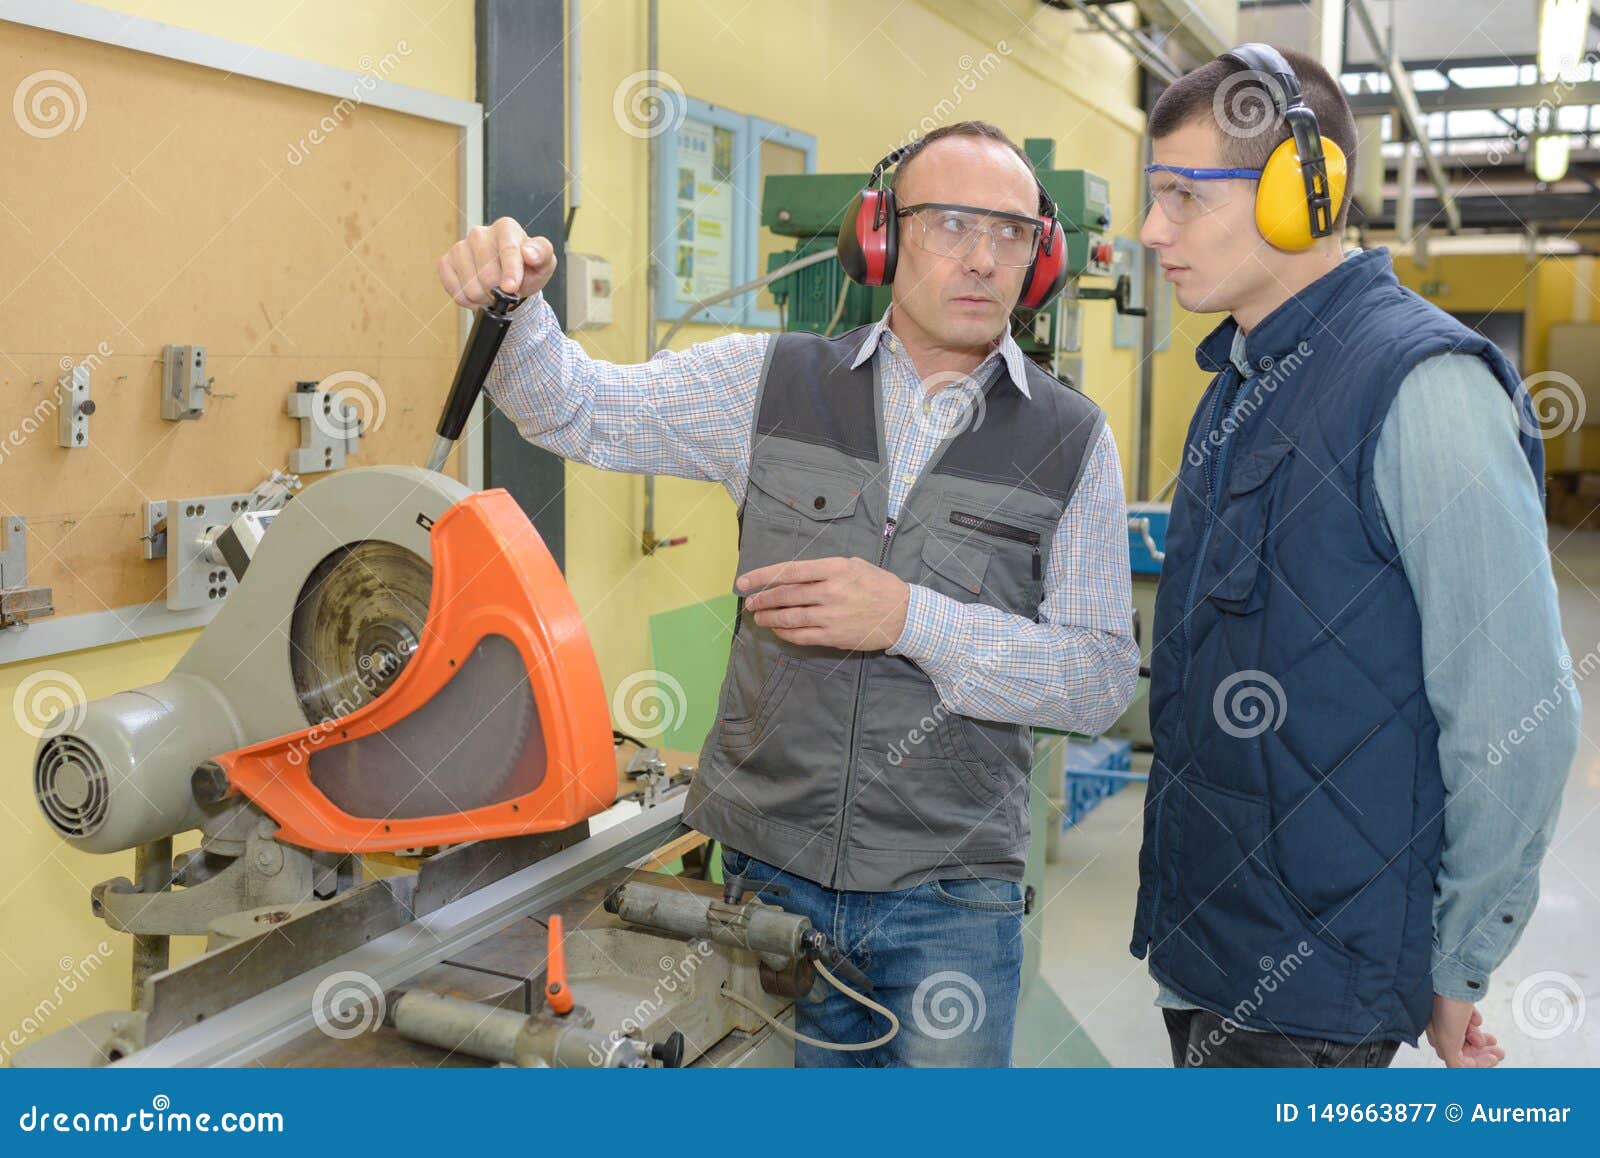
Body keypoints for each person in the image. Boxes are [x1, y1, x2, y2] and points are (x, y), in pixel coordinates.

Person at [438, 120, 1139, 1066]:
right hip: (769, 884)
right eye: (949, 225)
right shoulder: (770, 383)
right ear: (882, 237)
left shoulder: (1073, 440)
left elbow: (1099, 680)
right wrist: (515, 310)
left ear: (1042, 257)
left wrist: (910, 620)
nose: (982, 258)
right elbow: (577, 407)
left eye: (1011, 233)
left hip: (950, 898)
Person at [1132, 44, 1577, 1068]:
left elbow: (1519, 720)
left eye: (1181, 198)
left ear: (1303, 192)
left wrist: (1456, 963)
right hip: (1209, 952)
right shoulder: (1240, 381)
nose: (1152, 230)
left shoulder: (1421, 387)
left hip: (1315, 991)